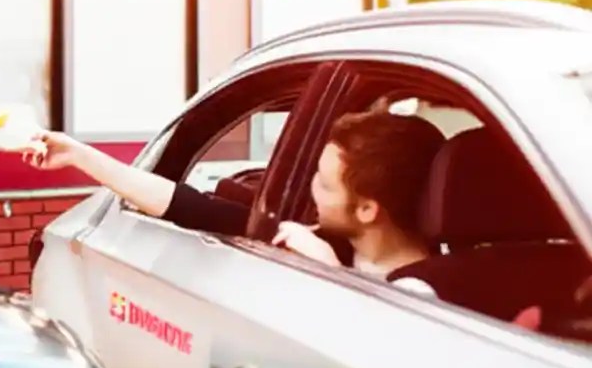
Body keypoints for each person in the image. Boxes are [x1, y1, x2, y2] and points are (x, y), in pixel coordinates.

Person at [26, 110, 446, 294]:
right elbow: (183, 205)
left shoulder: (429, 293)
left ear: (368, 209)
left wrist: (334, 278)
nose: (308, 191)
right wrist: (78, 154)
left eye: (322, 182)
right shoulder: (311, 239)